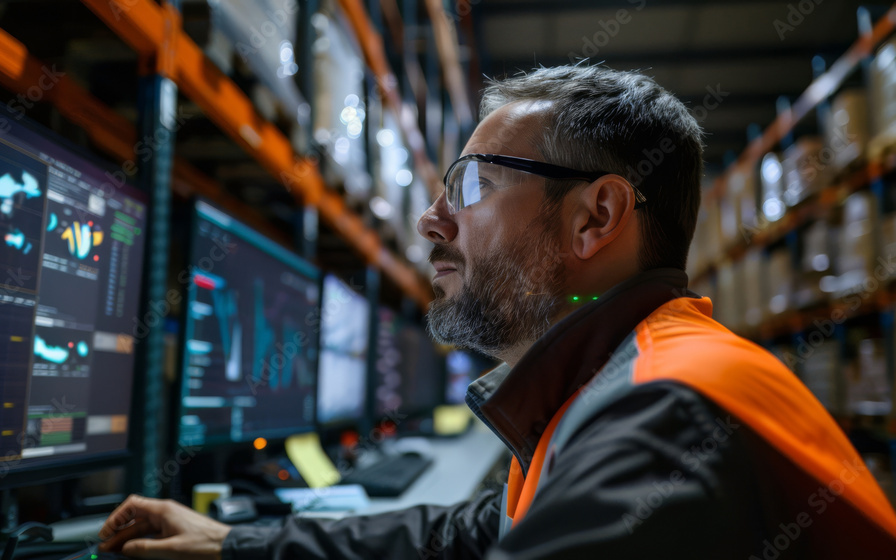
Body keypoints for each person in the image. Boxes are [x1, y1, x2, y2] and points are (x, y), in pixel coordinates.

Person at [99, 65, 896, 559]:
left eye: (471, 185)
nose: (431, 220)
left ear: (595, 217)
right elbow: (471, 535)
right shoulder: (613, 383)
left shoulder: (664, 413)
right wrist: (234, 542)